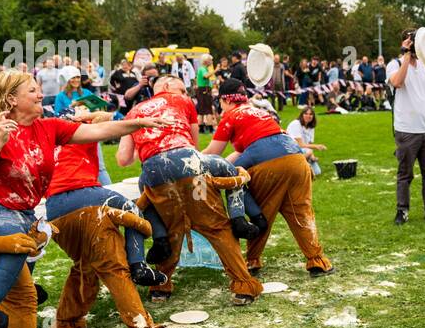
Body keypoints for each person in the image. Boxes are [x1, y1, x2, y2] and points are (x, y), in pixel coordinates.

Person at [0, 71, 173, 328]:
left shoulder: (48, 128)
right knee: (20, 296)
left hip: (15, 217)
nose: (41, 94)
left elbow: (97, 130)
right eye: (33, 90)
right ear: (12, 99)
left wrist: (136, 125)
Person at [117, 74, 261, 304]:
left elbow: (123, 159)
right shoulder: (183, 102)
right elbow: (193, 146)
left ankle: (160, 287)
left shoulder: (133, 113)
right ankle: (243, 280)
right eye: (182, 89)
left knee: (174, 229)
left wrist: (146, 147)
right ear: (165, 86)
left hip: (153, 174)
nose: (185, 94)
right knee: (216, 226)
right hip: (189, 166)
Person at [45, 110, 178, 328]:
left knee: (84, 264)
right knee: (127, 230)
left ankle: (65, 322)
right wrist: (86, 114)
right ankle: (142, 316)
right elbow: (105, 118)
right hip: (86, 197)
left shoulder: (47, 138)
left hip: (54, 209)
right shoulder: (78, 128)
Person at [204, 79, 333, 277]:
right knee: (302, 211)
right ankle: (317, 260)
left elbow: (214, 152)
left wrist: (191, 161)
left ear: (224, 100)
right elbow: (237, 155)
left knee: (263, 211)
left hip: (269, 163)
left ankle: (252, 260)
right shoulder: (259, 112)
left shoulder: (231, 116)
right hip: (297, 159)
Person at [389, 29, 425, 225]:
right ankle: (402, 211)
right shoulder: (395, 64)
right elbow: (397, 82)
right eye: (411, 40)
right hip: (406, 129)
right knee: (405, 173)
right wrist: (406, 54)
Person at [194, 53, 217, 132]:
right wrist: (216, 70)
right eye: (210, 60)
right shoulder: (203, 69)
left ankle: (201, 129)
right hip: (204, 90)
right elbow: (206, 76)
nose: (211, 62)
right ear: (206, 61)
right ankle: (210, 128)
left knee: (202, 110)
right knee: (208, 109)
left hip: (202, 90)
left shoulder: (203, 68)